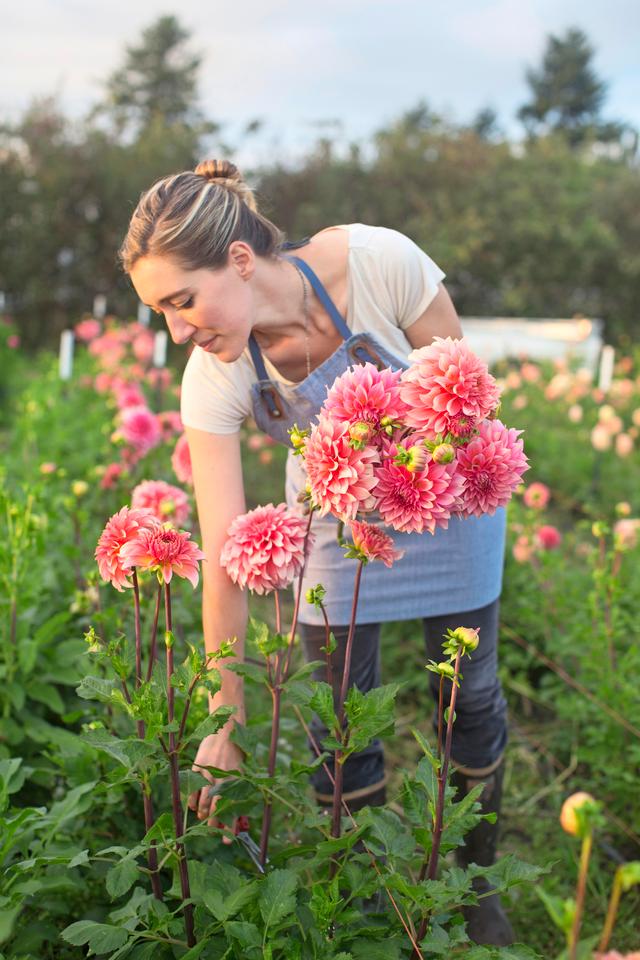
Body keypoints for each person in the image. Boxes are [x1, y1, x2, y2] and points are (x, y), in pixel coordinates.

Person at [120, 159, 513, 945]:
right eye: (160, 312)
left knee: (469, 698)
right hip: (331, 515)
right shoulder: (215, 376)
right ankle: (364, 901)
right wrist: (226, 721)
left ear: (239, 259)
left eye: (182, 301)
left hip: (445, 493)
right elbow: (227, 558)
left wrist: (403, 455)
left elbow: (466, 399)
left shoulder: (379, 264)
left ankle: (477, 882)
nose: (178, 332)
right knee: (336, 722)